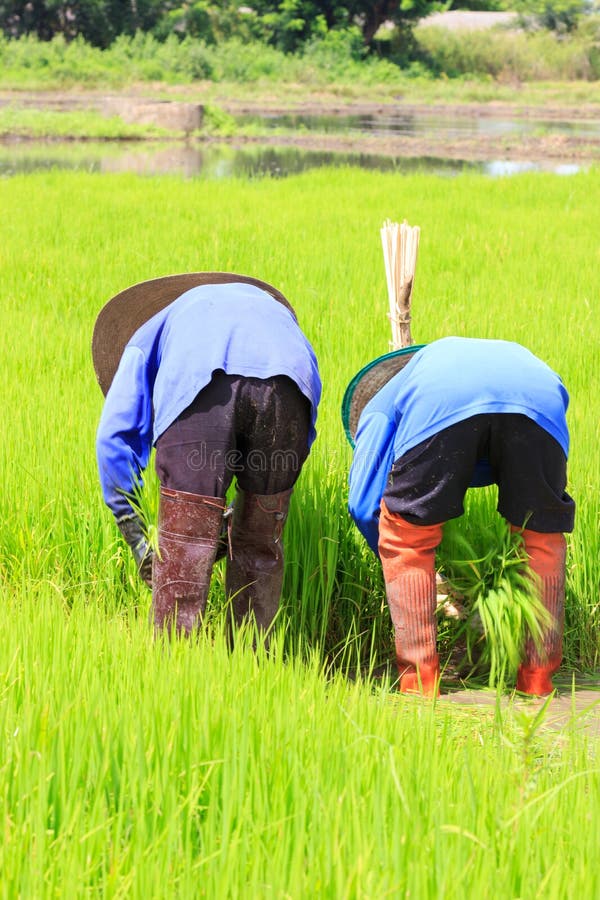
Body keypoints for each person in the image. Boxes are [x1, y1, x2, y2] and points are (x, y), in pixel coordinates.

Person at [341, 337, 575, 698]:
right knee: (541, 538)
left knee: (407, 536)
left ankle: (420, 687)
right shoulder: (504, 357)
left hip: (443, 403)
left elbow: (361, 504)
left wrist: (413, 568)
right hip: (540, 401)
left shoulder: (381, 403)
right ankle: (537, 682)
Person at [93, 272, 321, 638]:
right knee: (260, 546)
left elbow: (113, 439)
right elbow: (307, 408)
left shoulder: (149, 334)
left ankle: (175, 676)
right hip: (289, 388)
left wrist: (136, 536)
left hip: (201, 388)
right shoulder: (272, 314)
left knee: (182, 554)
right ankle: (251, 671)